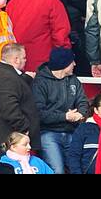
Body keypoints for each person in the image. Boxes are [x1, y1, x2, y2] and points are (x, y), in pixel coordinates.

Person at [32, 46, 87, 175]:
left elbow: (83, 101)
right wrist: (65, 116)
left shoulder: (74, 80)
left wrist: (80, 114)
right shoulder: (41, 83)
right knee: (57, 170)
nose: (74, 64)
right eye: (71, 61)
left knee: (78, 170)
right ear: (63, 64)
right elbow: (39, 113)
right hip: (48, 134)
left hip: (72, 132)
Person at [7, 0, 71, 73]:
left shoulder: (12, 2)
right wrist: (65, 60)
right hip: (43, 65)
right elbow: (60, 37)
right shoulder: (53, 2)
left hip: (16, 64)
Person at [0, 42, 41, 148]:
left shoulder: (1, 72)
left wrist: (26, 79)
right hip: (7, 138)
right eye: (24, 58)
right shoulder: (6, 77)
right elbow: (9, 108)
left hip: (8, 137)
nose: (25, 60)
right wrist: (25, 128)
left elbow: (13, 89)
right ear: (16, 59)